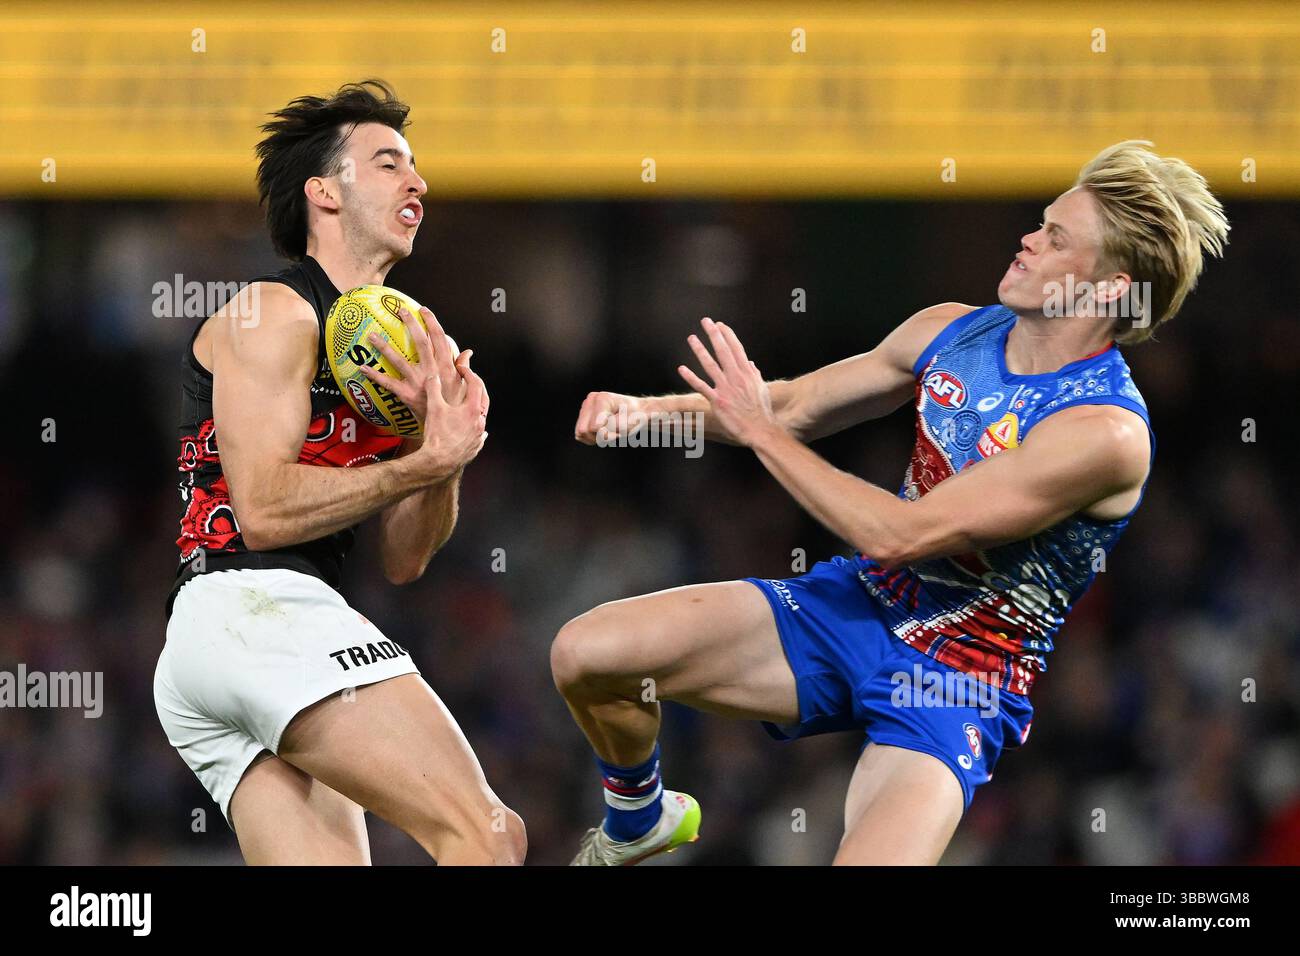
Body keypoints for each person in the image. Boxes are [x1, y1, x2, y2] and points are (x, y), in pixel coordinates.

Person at [555, 140, 1228, 865]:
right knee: (585, 655)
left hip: (955, 684)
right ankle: (639, 821)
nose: (1028, 240)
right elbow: (790, 407)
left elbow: (900, 532)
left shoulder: (1103, 433)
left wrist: (759, 432)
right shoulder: (950, 329)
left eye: (1056, 236)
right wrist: (645, 416)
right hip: (857, 607)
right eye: (1040, 222)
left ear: (1105, 289)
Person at [155, 80, 524, 865]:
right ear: (324, 193)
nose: (417, 181)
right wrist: (419, 460)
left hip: (238, 638)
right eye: (388, 163)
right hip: (251, 602)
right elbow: (262, 510)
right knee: (488, 835)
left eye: (416, 166)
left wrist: (441, 458)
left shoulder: (393, 348)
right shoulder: (274, 312)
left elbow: (404, 558)